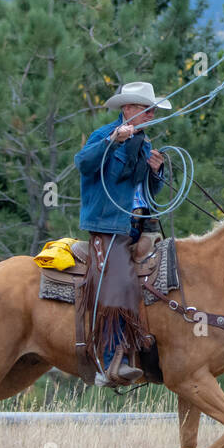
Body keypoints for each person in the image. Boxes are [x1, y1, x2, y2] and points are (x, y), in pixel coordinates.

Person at [74, 80, 171, 386]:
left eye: (153, 109)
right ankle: (111, 359)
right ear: (128, 109)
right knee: (118, 284)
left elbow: (142, 190)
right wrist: (112, 141)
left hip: (140, 227)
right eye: (147, 109)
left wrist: (156, 173)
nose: (152, 113)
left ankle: (151, 347)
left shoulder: (143, 143)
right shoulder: (104, 135)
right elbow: (83, 164)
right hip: (109, 227)